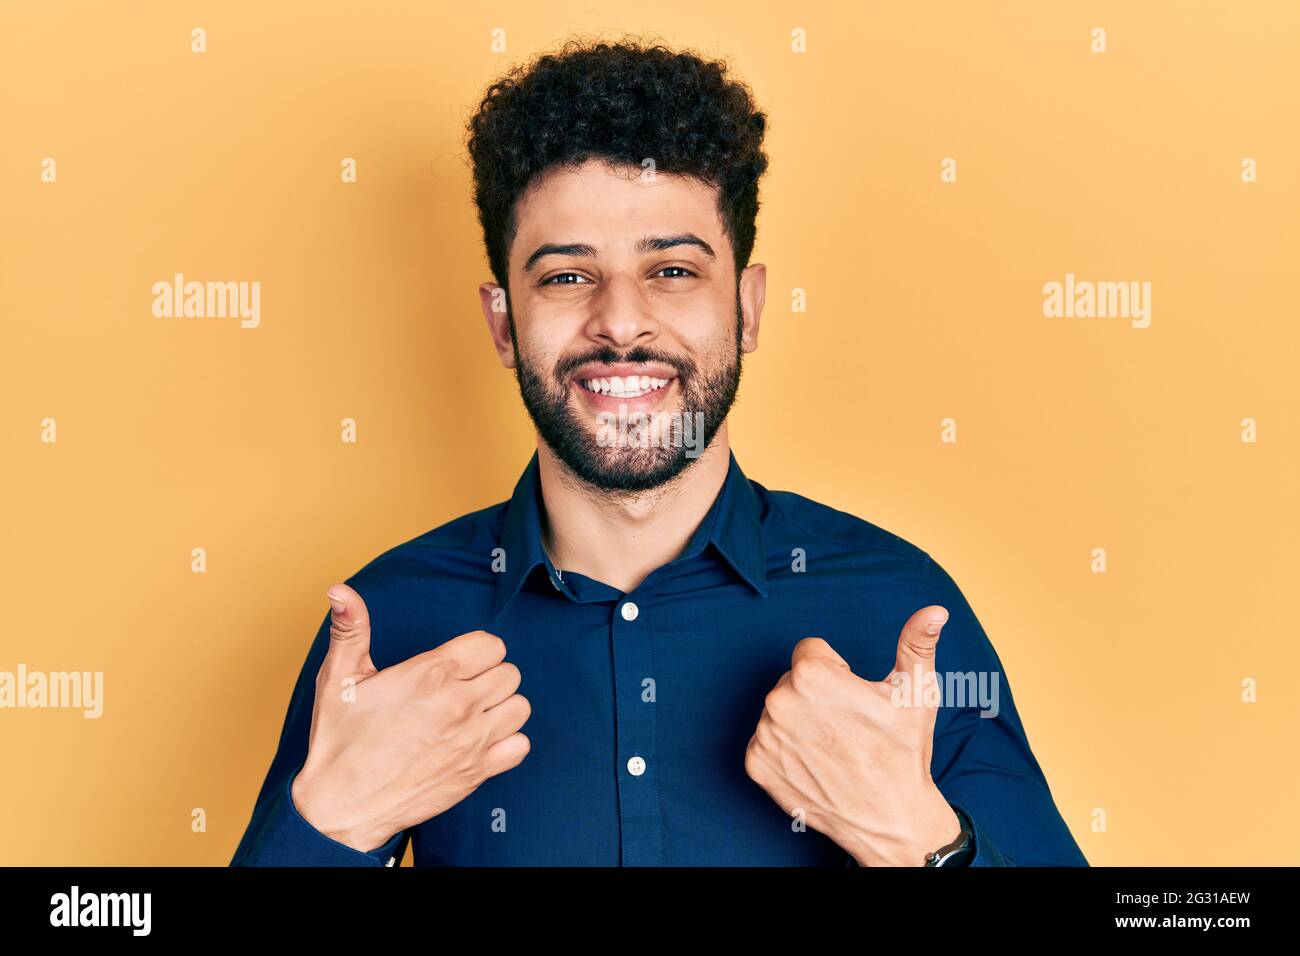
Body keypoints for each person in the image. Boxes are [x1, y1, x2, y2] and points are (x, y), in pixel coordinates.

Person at [231, 37, 1087, 867]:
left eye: (673, 271)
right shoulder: (387, 627)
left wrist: (918, 844)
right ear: (502, 324)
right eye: (567, 276)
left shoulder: (900, 614)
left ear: (748, 309)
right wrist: (333, 825)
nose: (621, 320)